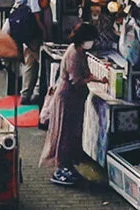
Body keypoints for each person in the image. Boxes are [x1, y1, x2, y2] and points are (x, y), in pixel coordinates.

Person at [41, 22, 100, 185]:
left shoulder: (81, 52)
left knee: (72, 132)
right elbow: (76, 79)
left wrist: (97, 78)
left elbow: (84, 74)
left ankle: (67, 165)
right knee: (65, 133)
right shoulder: (73, 53)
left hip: (75, 99)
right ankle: (61, 167)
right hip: (67, 98)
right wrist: (90, 79)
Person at [8, 0, 50, 102]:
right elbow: (36, 14)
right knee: (35, 60)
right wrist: (44, 31)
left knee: (30, 62)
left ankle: (27, 94)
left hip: (27, 32)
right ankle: (33, 93)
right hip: (31, 33)